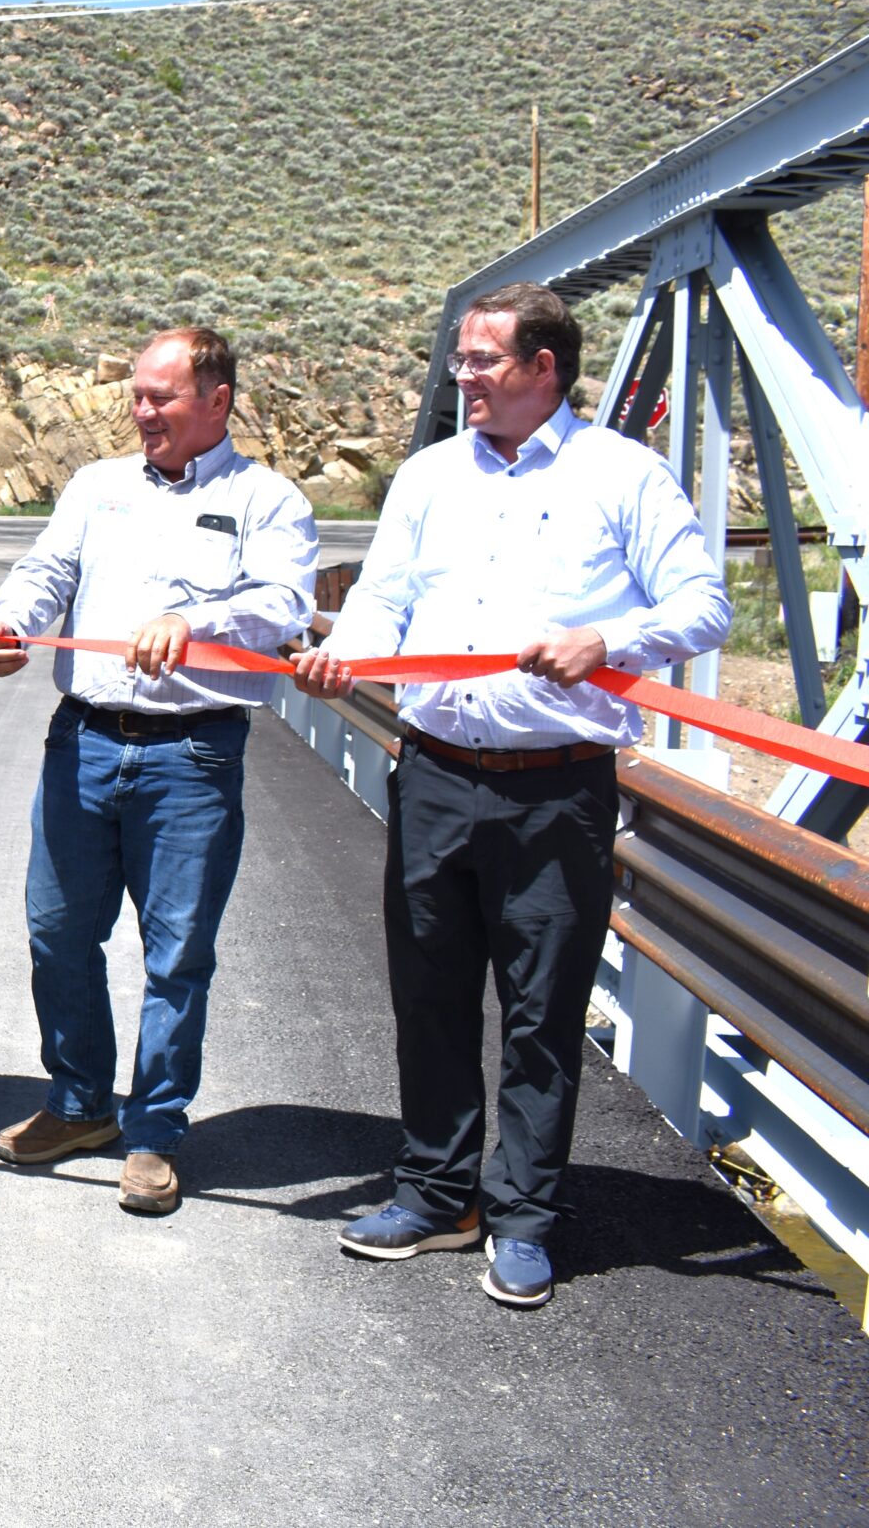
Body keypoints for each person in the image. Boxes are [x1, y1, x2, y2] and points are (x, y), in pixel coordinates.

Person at [293, 282, 729, 1306]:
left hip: (555, 793)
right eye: (460, 359)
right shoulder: (431, 475)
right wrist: (343, 658)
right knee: (430, 996)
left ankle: (524, 1212)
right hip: (437, 774)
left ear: (543, 368)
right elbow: (386, 598)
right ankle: (440, 1196)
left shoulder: (622, 476)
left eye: (481, 360)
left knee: (540, 1011)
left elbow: (700, 604)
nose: (461, 376)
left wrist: (605, 641)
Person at [0, 327, 319, 1216]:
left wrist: (195, 620)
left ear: (217, 400)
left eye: (161, 397)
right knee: (56, 933)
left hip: (193, 753)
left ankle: (156, 1129)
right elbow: (47, 570)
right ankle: (81, 1103)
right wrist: (9, 620)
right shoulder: (97, 488)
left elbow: (284, 601)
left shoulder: (266, 500)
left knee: (176, 956)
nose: (142, 411)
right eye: (136, 394)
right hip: (83, 741)